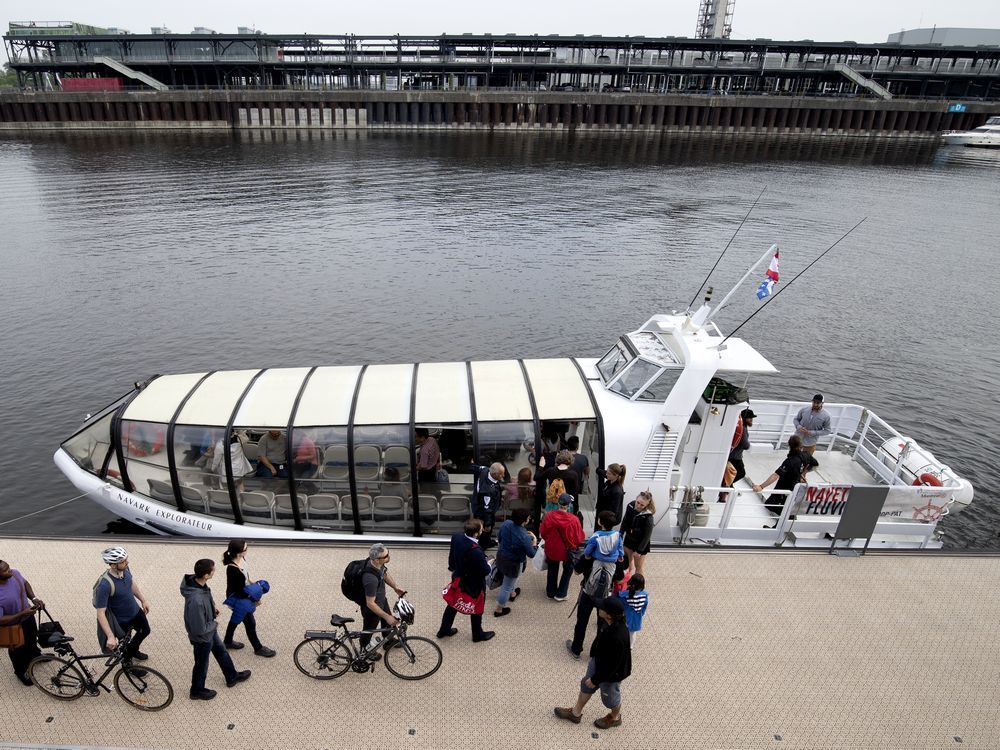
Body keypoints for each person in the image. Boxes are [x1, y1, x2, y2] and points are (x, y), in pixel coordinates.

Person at [555, 596, 632, 730]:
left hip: (611, 674)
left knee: (610, 699)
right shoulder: (607, 622)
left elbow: (612, 666)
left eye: (601, 607)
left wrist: (596, 679)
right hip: (599, 661)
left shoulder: (618, 636)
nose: (598, 608)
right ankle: (575, 713)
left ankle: (615, 717)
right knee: (586, 684)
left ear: (609, 615)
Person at [180, 558, 251, 700]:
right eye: (213, 569)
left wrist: (212, 609)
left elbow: (206, 599)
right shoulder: (196, 600)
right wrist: (214, 624)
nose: (215, 571)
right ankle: (196, 690)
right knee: (202, 663)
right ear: (206, 575)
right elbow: (199, 628)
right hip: (203, 635)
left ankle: (232, 676)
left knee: (221, 651)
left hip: (208, 629)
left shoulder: (199, 584)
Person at [567, 511, 624, 659]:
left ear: (600, 522)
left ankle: (576, 649)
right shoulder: (617, 542)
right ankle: (596, 653)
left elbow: (577, 571)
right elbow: (620, 577)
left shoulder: (594, 543)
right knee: (602, 625)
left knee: (582, 622)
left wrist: (585, 559)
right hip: (605, 595)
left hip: (588, 591)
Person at [437, 519, 495, 642]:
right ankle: (477, 634)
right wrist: (489, 563)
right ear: (476, 533)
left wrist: (453, 567)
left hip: (457, 576)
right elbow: (485, 571)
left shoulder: (457, 537)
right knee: (477, 607)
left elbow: (452, 556)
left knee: (453, 603)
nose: (482, 529)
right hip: (473, 582)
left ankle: (444, 629)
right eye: (481, 528)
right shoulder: (476, 551)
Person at [94, 547, 151, 665]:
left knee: (145, 630)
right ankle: (128, 665)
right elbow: (100, 613)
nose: (127, 562)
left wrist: (143, 600)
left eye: (126, 559)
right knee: (124, 644)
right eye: (123, 561)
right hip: (122, 621)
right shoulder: (104, 585)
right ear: (113, 565)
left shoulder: (125, 570)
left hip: (135, 612)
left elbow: (131, 583)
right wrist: (110, 636)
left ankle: (133, 650)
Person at [221, 540, 275, 657]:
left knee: (236, 618)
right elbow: (239, 591)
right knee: (250, 622)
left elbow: (246, 577)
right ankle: (258, 648)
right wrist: (254, 598)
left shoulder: (242, 560)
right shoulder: (233, 570)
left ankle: (228, 641)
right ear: (239, 552)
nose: (247, 549)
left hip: (244, 593)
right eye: (246, 548)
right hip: (238, 597)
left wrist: (253, 584)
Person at [753, 435, 819, 520]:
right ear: (801, 445)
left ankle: (786, 520)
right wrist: (803, 473)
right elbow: (815, 465)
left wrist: (761, 486)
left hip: (786, 488)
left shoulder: (789, 462)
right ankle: (789, 517)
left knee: (782, 508)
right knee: (781, 506)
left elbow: (776, 475)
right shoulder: (807, 455)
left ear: (789, 445)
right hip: (797, 487)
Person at [0, 559, 44, 686]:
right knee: (17, 648)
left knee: (31, 638)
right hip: (12, 626)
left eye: (8, 567)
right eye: (5, 571)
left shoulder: (15, 573)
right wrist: (21, 614)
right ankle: (20, 671)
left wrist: (34, 598)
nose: (10, 571)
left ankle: (35, 656)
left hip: (28, 618)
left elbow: (25, 584)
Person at [539, 493, 586, 602]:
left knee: (552, 569)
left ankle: (550, 592)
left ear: (558, 503)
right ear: (569, 505)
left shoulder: (549, 515)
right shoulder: (574, 520)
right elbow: (579, 538)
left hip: (552, 548)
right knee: (567, 570)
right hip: (567, 550)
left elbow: (543, 533)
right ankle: (561, 594)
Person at [360, 543, 407, 652]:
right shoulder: (370, 579)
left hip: (381, 599)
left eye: (388, 553)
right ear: (376, 560)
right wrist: (387, 617)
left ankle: (388, 640)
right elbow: (370, 603)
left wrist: (395, 587)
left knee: (386, 623)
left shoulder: (378, 564)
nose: (388, 557)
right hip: (372, 608)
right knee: (369, 629)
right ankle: (364, 650)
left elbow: (384, 573)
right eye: (386, 556)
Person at [493, 508, 538, 617]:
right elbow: (532, 554)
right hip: (513, 563)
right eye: (528, 518)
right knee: (506, 586)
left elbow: (499, 538)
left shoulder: (506, 523)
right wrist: (534, 541)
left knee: (507, 578)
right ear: (525, 521)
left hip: (501, 556)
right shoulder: (525, 537)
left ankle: (513, 594)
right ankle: (499, 609)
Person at [721, 409, 756, 501]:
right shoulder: (743, 428)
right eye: (750, 418)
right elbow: (745, 444)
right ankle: (725, 485)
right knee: (741, 473)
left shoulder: (740, 425)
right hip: (735, 456)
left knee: (733, 472)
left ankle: (728, 486)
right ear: (745, 419)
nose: (752, 420)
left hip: (734, 455)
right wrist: (748, 445)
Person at [471, 462, 506, 548]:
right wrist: (488, 523)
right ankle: (483, 545)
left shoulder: (485, 470)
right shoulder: (487, 491)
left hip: (482, 503)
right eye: (501, 474)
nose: (503, 476)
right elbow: (487, 509)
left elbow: (475, 468)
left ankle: (487, 541)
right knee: (485, 529)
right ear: (495, 474)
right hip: (481, 510)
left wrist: (471, 465)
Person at [620, 491, 656, 576]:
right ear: (636, 499)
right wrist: (621, 533)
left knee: (638, 567)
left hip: (640, 543)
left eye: (642, 505)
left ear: (647, 505)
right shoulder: (630, 505)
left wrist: (639, 551)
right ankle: (627, 580)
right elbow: (625, 520)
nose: (638, 506)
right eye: (638, 502)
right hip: (629, 538)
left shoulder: (648, 516)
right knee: (626, 562)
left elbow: (647, 536)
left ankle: (639, 586)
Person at [618, 573, 649, 646]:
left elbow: (620, 607)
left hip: (625, 619)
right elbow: (644, 607)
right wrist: (641, 614)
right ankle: (630, 646)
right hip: (636, 619)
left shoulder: (624, 595)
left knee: (623, 634)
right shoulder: (644, 595)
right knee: (632, 634)